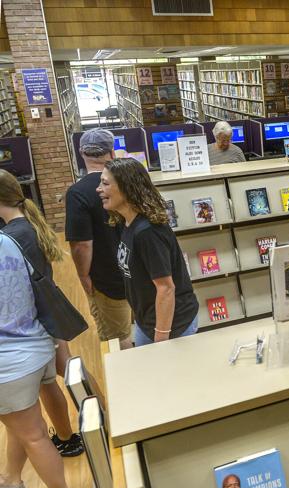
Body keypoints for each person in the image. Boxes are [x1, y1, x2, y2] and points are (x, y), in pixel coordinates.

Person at [0, 171, 86, 461]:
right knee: (67, 374)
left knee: (60, 378)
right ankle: (78, 433)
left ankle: (71, 436)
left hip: (34, 321)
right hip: (46, 315)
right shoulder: (28, 225)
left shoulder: (10, 238)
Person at [98, 158, 199, 346]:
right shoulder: (127, 222)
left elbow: (166, 288)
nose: (98, 189)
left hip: (170, 327)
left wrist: (160, 340)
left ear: (126, 187)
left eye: (105, 183)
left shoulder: (147, 232)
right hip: (147, 323)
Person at [65, 128, 132, 350]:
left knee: (118, 337)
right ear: (111, 153)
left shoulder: (78, 192)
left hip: (107, 277)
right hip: (138, 270)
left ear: (82, 154)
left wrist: (83, 275)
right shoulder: (129, 181)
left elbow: (82, 243)